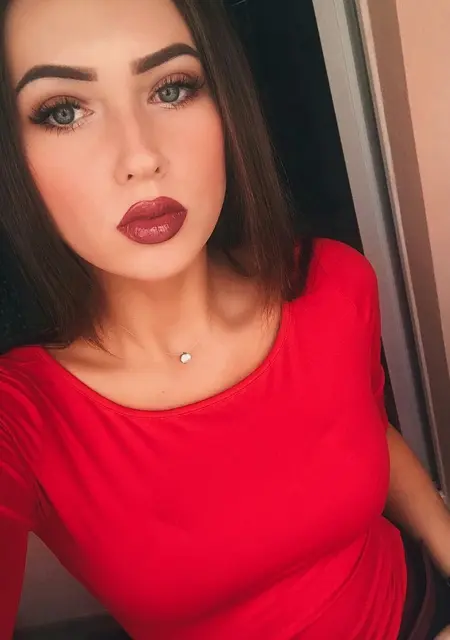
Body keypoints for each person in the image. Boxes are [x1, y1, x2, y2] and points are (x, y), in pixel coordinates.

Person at [0, 0, 449, 638]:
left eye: (171, 88)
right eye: (64, 111)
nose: (141, 156)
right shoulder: (21, 415)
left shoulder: (331, 283)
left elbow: (370, 430)